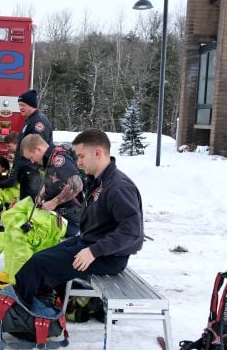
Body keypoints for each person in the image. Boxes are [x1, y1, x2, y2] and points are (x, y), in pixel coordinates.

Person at [13, 129, 144, 312]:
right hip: (91, 243)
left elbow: (132, 232)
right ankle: (40, 303)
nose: (78, 161)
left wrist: (93, 251)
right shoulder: (100, 181)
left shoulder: (118, 187)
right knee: (42, 258)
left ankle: (16, 310)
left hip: (107, 256)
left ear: (97, 153)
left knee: (39, 264)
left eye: (81, 156)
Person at [20, 134, 84, 237]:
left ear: (38, 149)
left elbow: (76, 185)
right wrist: (41, 195)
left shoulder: (59, 158)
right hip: (58, 215)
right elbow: (51, 181)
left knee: (33, 235)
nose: (32, 161)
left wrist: (54, 202)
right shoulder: (49, 160)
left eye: (31, 157)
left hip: (69, 219)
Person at [12, 89, 53, 201]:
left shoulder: (38, 122)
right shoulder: (30, 120)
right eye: (19, 105)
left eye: (23, 105)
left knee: (31, 206)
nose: (20, 108)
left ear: (31, 105)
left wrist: (29, 170)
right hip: (27, 174)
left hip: (33, 174)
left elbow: (37, 150)